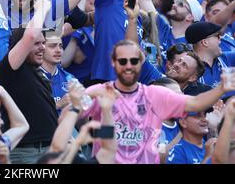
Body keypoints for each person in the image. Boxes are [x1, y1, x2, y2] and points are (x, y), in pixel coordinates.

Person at [83, 39, 235, 164]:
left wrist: (222, 89)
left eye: (133, 61)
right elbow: (72, 115)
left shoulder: (157, 94)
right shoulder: (100, 92)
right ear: (113, 63)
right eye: (123, 61)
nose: (128, 66)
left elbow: (195, 103)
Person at [0, 0, 58, 164]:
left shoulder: (38, 73)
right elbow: (30, 35)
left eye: (43, 43)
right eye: (37, 44)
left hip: (48, 150)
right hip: (25, 153)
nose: (43, 47)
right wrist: (43, 7)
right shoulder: (9, 69)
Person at [185, 22, 235, 91]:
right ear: (205, 42)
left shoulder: (228, 58)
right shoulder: (190, 70)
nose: (220, 39)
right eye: (217, 36)